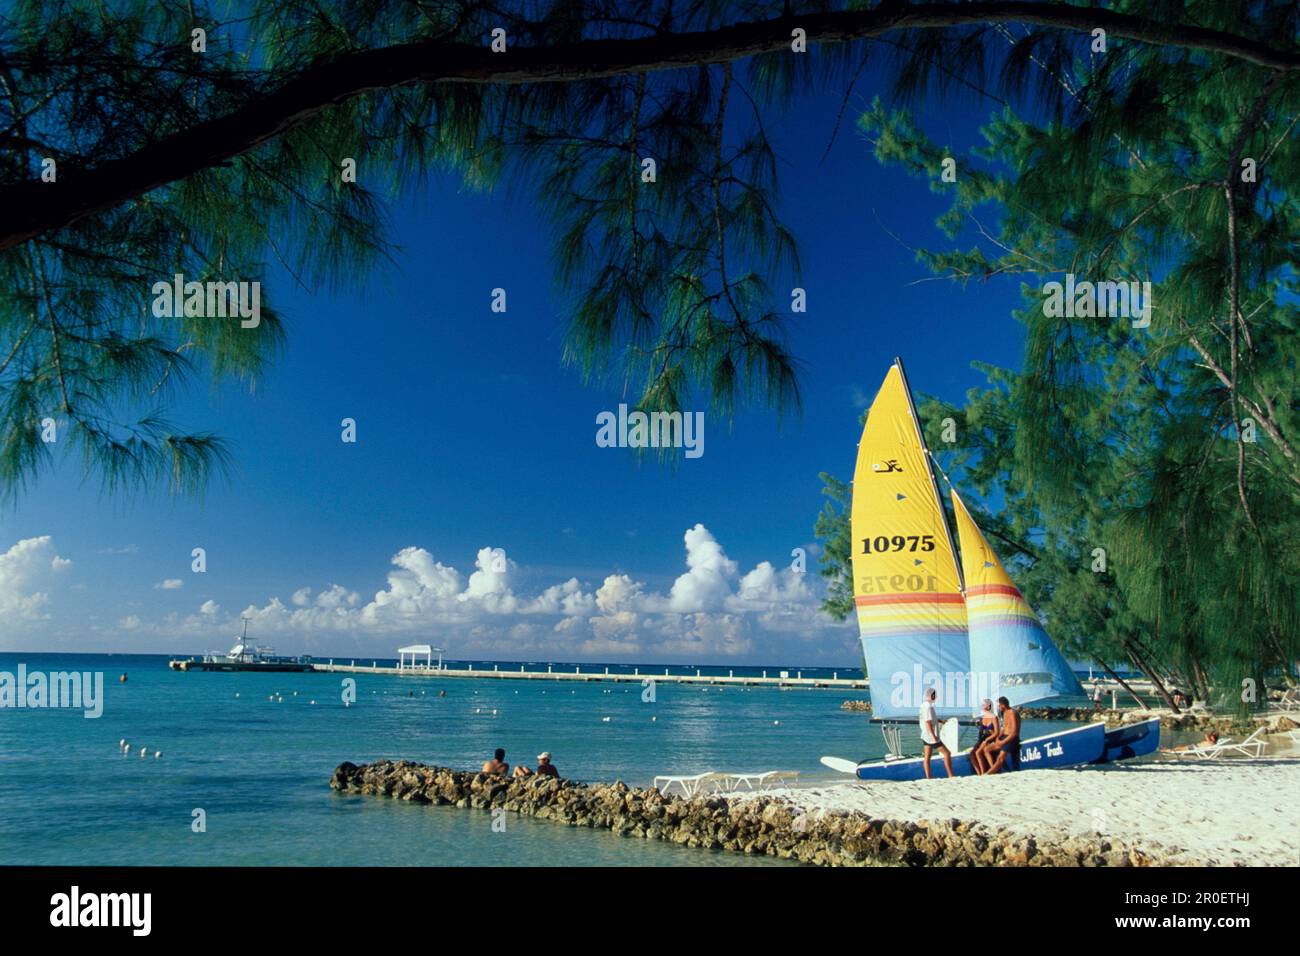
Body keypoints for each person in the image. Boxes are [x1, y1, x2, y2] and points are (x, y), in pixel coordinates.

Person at [918, 687, 954, 778]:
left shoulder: (923, 705)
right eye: (934, 695)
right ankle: (950, 775)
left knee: (927, 758)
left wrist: (940, 721)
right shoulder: (928, 707)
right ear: (931, 696)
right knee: (947, 753)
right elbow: (928, 722)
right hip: (930, 737)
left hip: (925, 735)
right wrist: (934, 736)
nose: (936, 697)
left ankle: (929, 777)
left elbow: (930, 719)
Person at [983, 697, 1021, 774]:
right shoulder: (1005, 713)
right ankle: (994, 769)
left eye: (999, 705)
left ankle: (988, 773)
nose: (998, 707)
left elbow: (1014, 732)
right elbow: (1004, 728)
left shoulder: (1013, 713)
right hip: (1004, 737)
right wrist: (998, 738)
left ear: (1003, 705)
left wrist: (1003, 742)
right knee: (986, 749)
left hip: (1011, 739)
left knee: (1000, 758)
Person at [970, 698, 1000, 774]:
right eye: (982, 705)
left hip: (990, 738)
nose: (982, 706)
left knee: (978, 752)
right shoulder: (982, 717)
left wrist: (987, 740)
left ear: (988, 706)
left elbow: (996, 732)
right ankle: (979, 773)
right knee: (972, 754)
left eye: (983, 705)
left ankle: (991, 771)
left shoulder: (994, 717)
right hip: (983, 739)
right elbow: (981, 732)